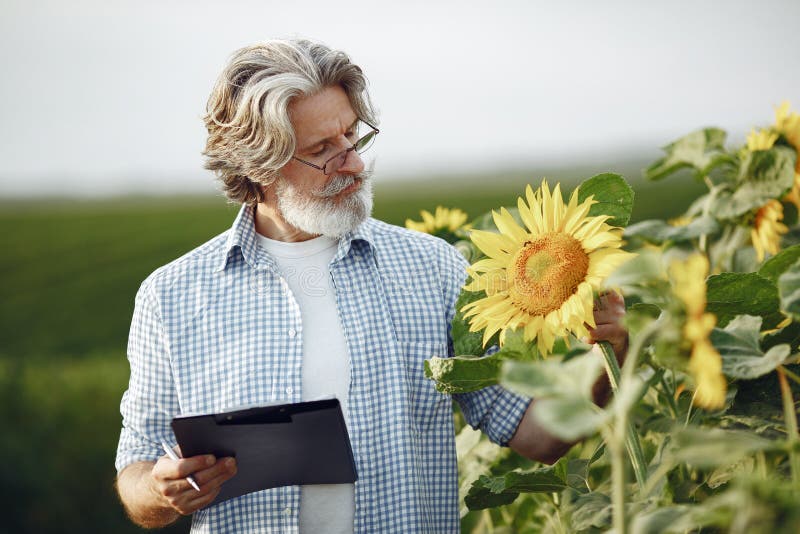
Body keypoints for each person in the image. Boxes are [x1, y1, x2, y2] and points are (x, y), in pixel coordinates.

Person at [114, 38, 629, 533]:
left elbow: (537, 436)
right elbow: (135, 474)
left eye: (353, 137)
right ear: (259, 165)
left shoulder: (433, 268)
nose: (355, 163)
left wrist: (609, 355)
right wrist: (163, 491)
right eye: (323, 150)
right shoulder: (172, 296)